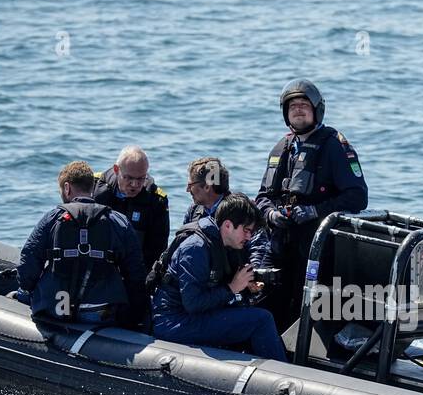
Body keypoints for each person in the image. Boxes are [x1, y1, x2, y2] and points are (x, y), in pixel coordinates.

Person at [252, 78, 368, 329]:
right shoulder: (282, 148)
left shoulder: (335, 146)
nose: (298, 109)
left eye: (304, 104)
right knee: (263, 296)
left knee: (304, 306)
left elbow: (358, 196)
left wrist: (314, 211)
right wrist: (271, 214)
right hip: (281, 243)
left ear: (317, 109)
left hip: (317, 247)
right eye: (292, 105)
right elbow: (262, 197)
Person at [151, 193, 287, 361]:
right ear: (228, 225)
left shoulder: (228, 246)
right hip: (173, 320)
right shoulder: (195, 249)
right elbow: (193, 303)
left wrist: (247, 288)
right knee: (261, 319)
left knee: (254, 312)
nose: (249, 237)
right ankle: (282, 374)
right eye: (246, 231)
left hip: (196, 315)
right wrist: (232, 288)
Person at [16, 161, 148, 326]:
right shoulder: (118, 221)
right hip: (100, 311)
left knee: (22, 292)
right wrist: (135, 315)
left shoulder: (52, 219)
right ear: (92, 188)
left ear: (67, 188)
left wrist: (27, 288)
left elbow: (28, 262)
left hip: (57, 308)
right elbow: (135, 273)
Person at [93, 145, 169, 268]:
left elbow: (157, 249)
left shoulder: (156, 201)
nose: (134, 184)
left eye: (141, 179)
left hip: (133, 268)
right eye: (128, 178)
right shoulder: (93, 187)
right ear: (116, 170)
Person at [181, 156, 230, 224]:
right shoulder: (193, 211)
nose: (187, 190)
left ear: (207, 187)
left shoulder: (235, 211)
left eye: (190, 185)